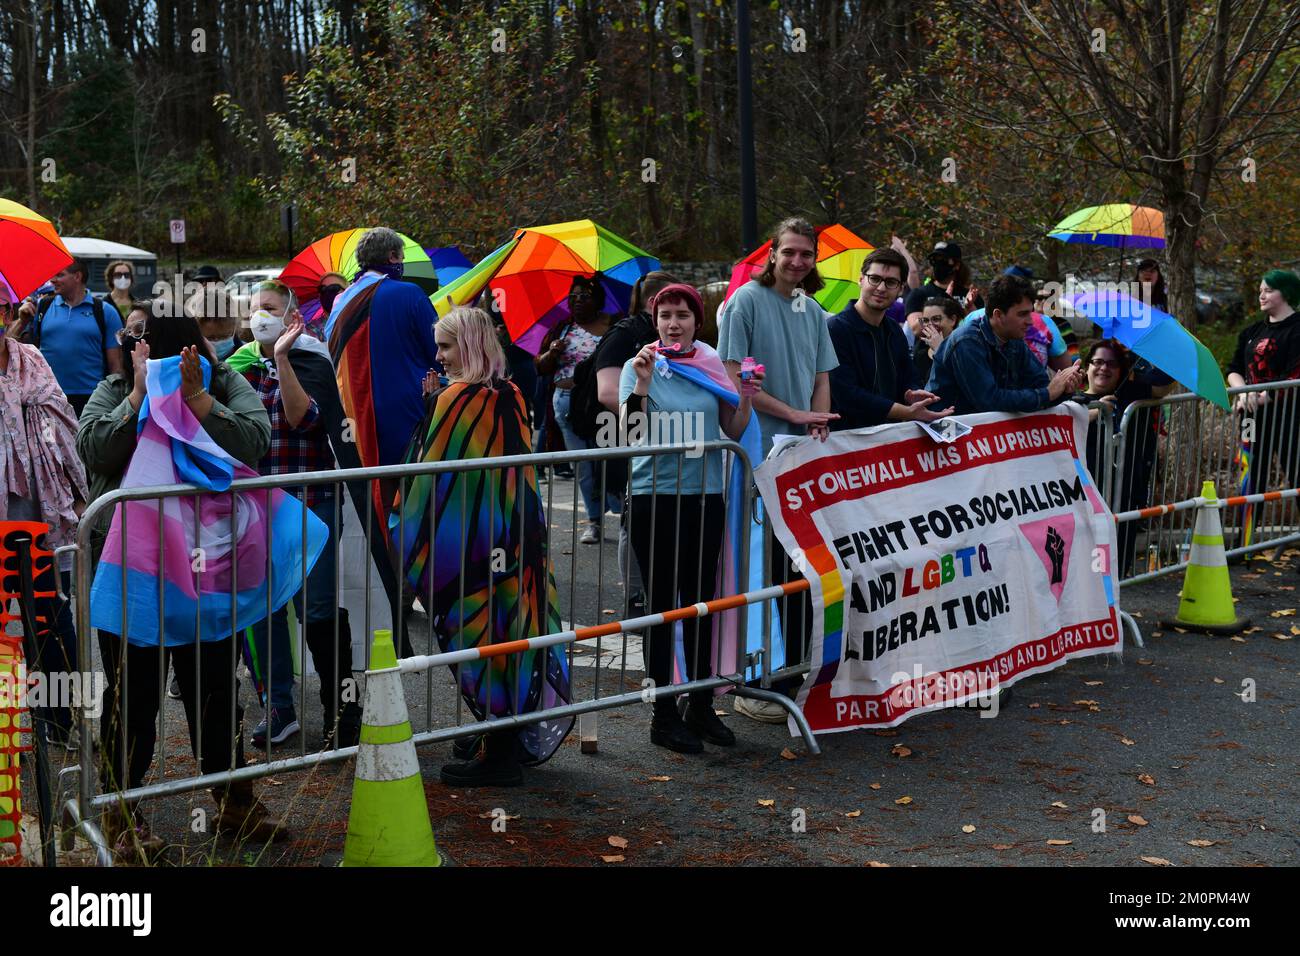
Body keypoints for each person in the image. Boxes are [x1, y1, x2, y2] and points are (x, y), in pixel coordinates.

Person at [77, 308, 282, 857]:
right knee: (132, 693)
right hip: (133, 569)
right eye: (132, 337)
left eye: (142, 337)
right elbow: (94, 449)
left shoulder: (224, 380)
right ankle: (120, 812)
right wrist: (139, 395)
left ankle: (234, 800)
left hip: (206, 564)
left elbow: (255, 441)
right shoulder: (116, 385)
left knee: (214, 686)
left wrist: (199, 402)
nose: (133, 345)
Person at [391, 307, 573, 786]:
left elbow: (423, 478)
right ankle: (499, 737)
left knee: (481, 638)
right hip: (514, 535)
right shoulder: (509, 390)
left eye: (446, 347)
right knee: (513, 631)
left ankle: (500, 754)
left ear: (469, 346)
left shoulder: (454, 398)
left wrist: (432, 407)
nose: (438, 356)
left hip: (470, 544)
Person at [620, 284, 762, 752]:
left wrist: (744, 395)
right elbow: (630, 435)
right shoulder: (637, 365)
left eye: (682, 315)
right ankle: (663, 715)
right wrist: (642, 384)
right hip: (653, 498)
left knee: (702, 604)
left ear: (697, 322)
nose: (673, 323)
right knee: (663, 608)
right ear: (654, 320)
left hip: (705, 497)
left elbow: (734, 429)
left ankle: (699, 706)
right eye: (665, 315)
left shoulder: (710, 363)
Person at [229, 280, 361, 751]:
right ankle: (279, 708)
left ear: (292, 319)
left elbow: (305, 420)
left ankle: (341, 709)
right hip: (259, 511)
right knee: (262, 612)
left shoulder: (312, 360)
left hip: (310, 505)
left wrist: (283, 358)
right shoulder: (242, 367)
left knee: (317, 610)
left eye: (267, 308)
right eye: (253, 309)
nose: (257, 316)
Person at [717, 216, 839, 721]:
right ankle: (750, 678)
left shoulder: (812, 310)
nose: (796, 261)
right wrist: (791, 414)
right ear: (772, 254)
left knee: (798, 566)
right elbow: (731, 379)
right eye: (788, 252)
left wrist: (818, 425)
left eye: (805, 254)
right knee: (756, 565)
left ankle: (790, 671)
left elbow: (820, 376)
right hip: (754, 449)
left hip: (797, 456)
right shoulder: (745, 301)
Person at [0, 289, 87, 748]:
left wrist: (73, 493)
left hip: (39, 516)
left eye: (0, 309)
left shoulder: (32, 358)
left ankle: (59, 718)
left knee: (50, 617)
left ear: (10, 313)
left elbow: (63, 418)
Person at [1072, 339, 1176, 577]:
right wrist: (1096, 412)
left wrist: (1146, 348)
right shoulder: (1072, 401)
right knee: (1087, 565)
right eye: (1097, 362)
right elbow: (1060, 432)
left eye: (1112, 364)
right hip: (1086, 498)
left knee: (1119, 560)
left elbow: (1164, 383)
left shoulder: (1131, 393)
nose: (1103, 369)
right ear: (1086, 367)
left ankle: (1114, 603)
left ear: (1121, 370)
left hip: (1126, 495)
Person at [826, 248, 952, 431]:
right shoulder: (836, 329)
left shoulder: (894, 329)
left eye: (891, 282)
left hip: (889, 440)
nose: (881, 288)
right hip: (846, 441)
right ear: (861, 279)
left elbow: (909, 376)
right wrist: (906, 412)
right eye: (874, 279)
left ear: (901, 288)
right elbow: (846, 394)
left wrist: (912, 394)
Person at [536, 274, 620, 544]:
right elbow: (540, 366)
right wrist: (552, 353)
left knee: (609, 460)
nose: (577, 301)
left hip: (600, 404)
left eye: (584, 295)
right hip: (565, 403)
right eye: (573, 296)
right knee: (583, 464)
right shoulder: (561, 328)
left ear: (597, 299)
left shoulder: (613, 327)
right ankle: (593, 521)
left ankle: (621, 514)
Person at [927, 273, 1083, 416]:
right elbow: (988, 400)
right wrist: (1048, 394)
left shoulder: (1014, 340)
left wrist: (1064, 388)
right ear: (998, 315)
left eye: (1031, 312)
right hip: (947, 438)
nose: (1030, 321)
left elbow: (1040, 385)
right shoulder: (967, 341)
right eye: (1022, 314)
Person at [15, 258, 123, 415]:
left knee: (84, 441)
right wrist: (21, 321)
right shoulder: (42, 307)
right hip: (48, 396)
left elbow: (116, 365)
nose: (52, 280)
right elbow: (11, 344)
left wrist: (116, 404)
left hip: (92, 398)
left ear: (77, 276)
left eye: (60, 275)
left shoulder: (105, 311)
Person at [1227, 269, 1300, 497]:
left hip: (1289, 417)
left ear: (1286, 293)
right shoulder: (1252, 331)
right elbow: (1234, 369)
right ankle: (1245, 533)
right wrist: (1243, 393)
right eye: (1260, 291)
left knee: (1296, 473)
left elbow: (1294, 374)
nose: (1261, 296)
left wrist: (1260, 397)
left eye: (1268, 290)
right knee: (1249, 474)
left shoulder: (1297, 328)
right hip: (1251, 418)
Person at [959, 267, 1073, 371]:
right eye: (1022, 314)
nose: (1030, 322)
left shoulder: (972, 318)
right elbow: (1064, 369)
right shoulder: (1044, 323)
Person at [903, 240, 983, 341]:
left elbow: (981, 329)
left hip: (963, 352)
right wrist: (941, 307)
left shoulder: (971, 296)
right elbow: (916, 329)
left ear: (956, 265)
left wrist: (969, 309)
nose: (938, 264)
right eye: (935, 260)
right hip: (928, 354)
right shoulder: (919, 294)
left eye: (944, 260)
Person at [912, 295, 964, 384]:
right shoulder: (920, 351)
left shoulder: (964, 349)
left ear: (952, 320)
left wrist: (940, 350)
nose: (930, 325)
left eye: (936, 319)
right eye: (925, 320)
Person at [187, 287, 242, 362]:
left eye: (224, 337)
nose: (218, 342)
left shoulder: (250, 357)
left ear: (234, 328)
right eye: (210, 338)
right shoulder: (185, 362)